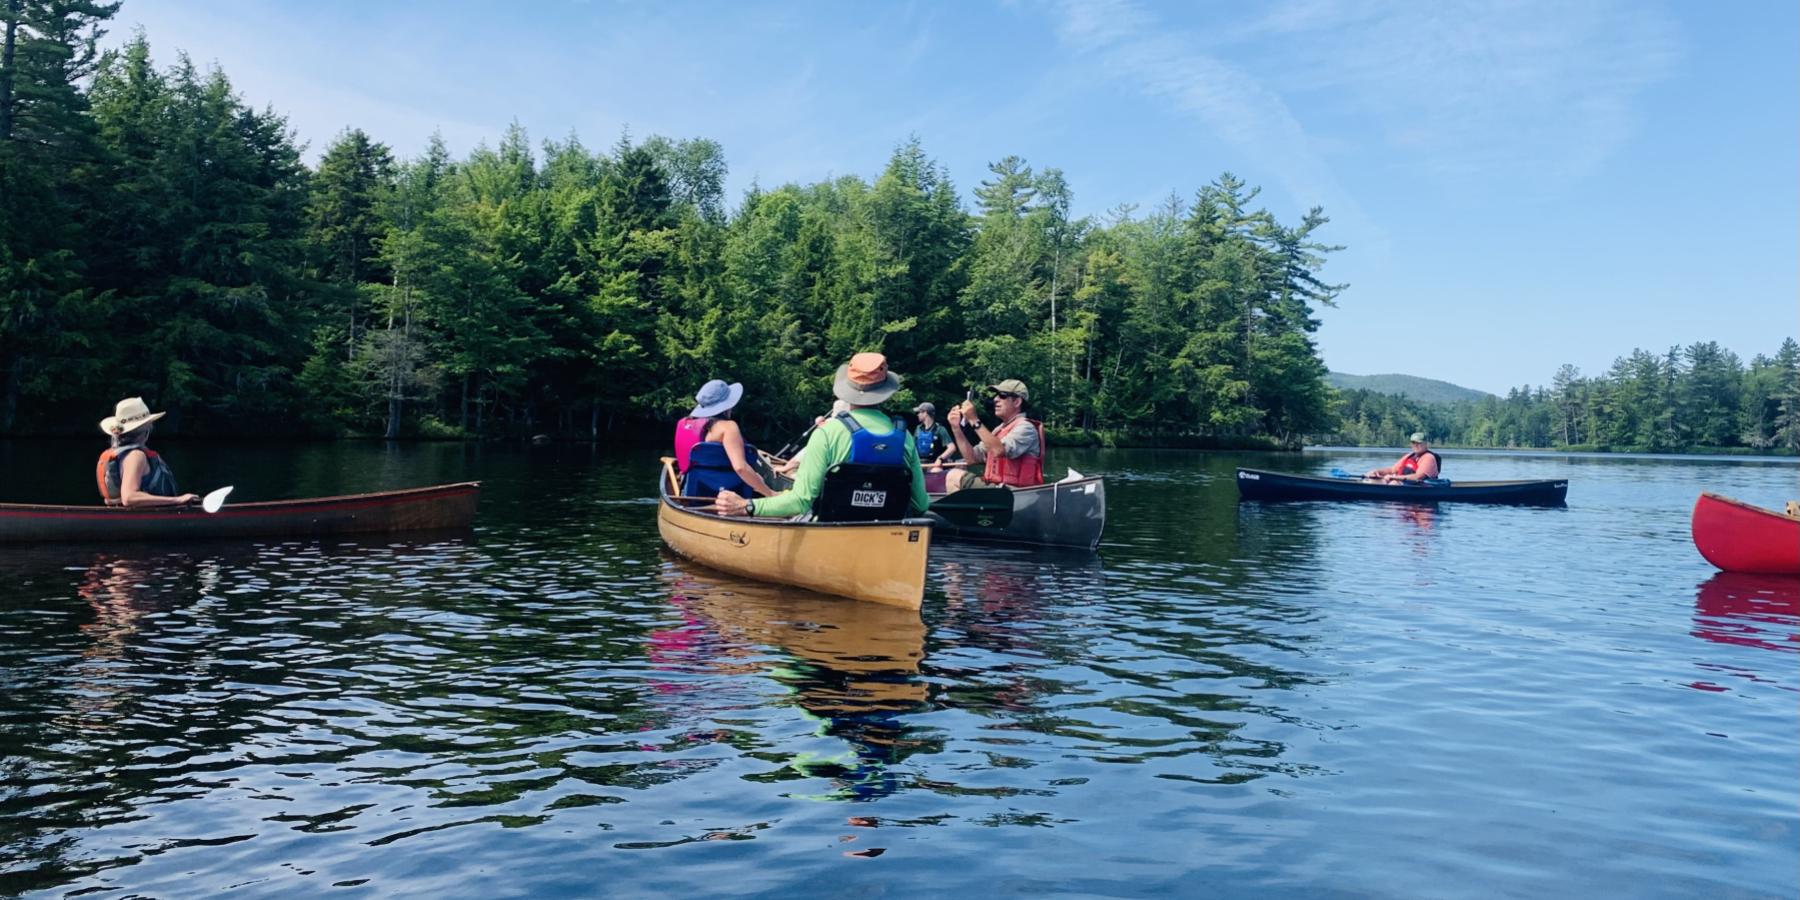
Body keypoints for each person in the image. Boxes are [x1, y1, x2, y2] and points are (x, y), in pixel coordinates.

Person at [714, 352, 928, 518]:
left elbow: (800, 502)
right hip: (887, 533)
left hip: (831, 533)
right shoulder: (905, 437)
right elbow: (921, 505)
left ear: (847, 389)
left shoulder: (826, 433)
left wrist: (746, 505)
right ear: (885, 392)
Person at [673, 379, 777, 500]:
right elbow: (740, 468)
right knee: (758, 478)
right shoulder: (728, 427)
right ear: (727, 405)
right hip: (731, 492)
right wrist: (770, 493)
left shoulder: (683, 424)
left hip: (693, 492)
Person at [96, 397, 197, 508]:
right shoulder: (136, 456)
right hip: (142, 522)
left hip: (122, 519)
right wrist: (178, 500)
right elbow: (129, 498)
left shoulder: (118, 454)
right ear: (146, 432)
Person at [944, 379, 1044, 491]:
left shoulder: (1026, 428)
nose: (995, 399)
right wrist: (956, 428)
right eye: (996, 395)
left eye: (1002, 395)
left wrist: (974, 420)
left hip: (1015, 493)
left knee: (953, 476)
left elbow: (999, 450)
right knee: (956, 475)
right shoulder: (999, 430)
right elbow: (971, 457)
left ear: (1017, 402)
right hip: (999, 490)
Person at [1365, 432, 1441, 483]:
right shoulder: (1409, 456)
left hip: (1419, 488)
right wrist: (1377, 472)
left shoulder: (1429, 458)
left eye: (1419, 443)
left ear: (1426, 444)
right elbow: (1392, 470)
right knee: (1370, 480)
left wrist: (1394, 478)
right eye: (1413, 442)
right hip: (1405, 484)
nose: (1415, 445)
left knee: (1394, 483)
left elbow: (1418, 477)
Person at [911, 402, 956, 467]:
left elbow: (952, 448)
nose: (918, 415)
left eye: (919, 412)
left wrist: (940, 459)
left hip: (934, 464)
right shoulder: (918, 429)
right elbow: (912, 447)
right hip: (919, 464)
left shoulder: (940, 429)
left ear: (925, 413)